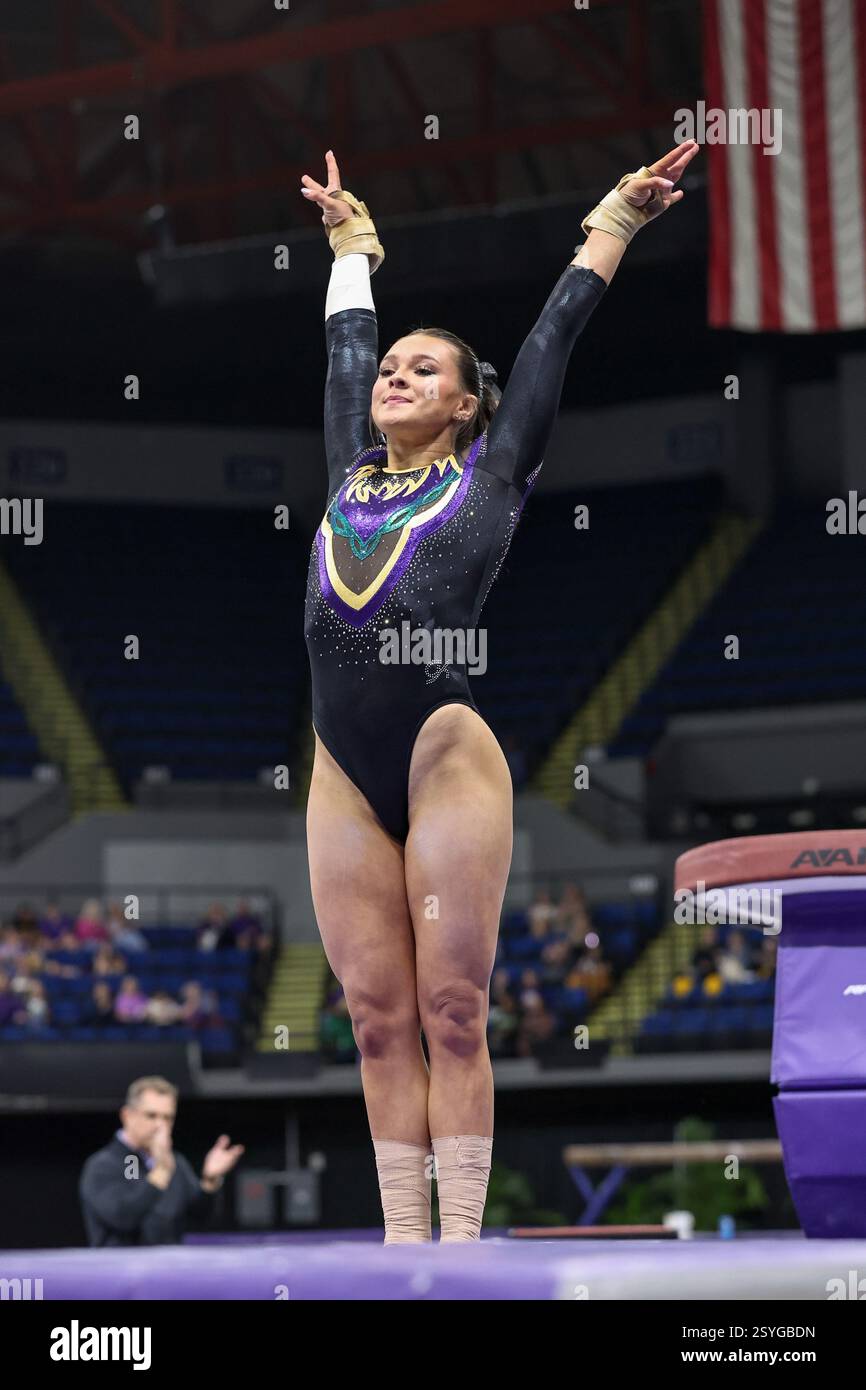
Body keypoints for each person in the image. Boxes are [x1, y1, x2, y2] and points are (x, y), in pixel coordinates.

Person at [300, 141, 698, 1244]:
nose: (393, 374)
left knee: (448, 1011)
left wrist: (612, 217)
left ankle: (462, 1247)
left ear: (470, 409)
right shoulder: (348, 472)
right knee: (377, 1021)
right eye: (395, 364)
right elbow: (342, 354)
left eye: (424, 370)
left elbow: (550, 338)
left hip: (441, 752)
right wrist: (348, 246)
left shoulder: (494, 472)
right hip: (339, 767)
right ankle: (399, 1246)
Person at [79, 1075, 244, 1246]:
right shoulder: (106, 1164)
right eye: (151, 1115)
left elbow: (200, 1216)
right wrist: (161, 1172)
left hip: (167, 1269)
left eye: (167, 1118)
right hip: (120, 1270)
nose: (160, 1125)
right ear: (127, 1116)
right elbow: (124, 1217)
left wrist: (209, 1181)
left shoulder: (175, 1163)